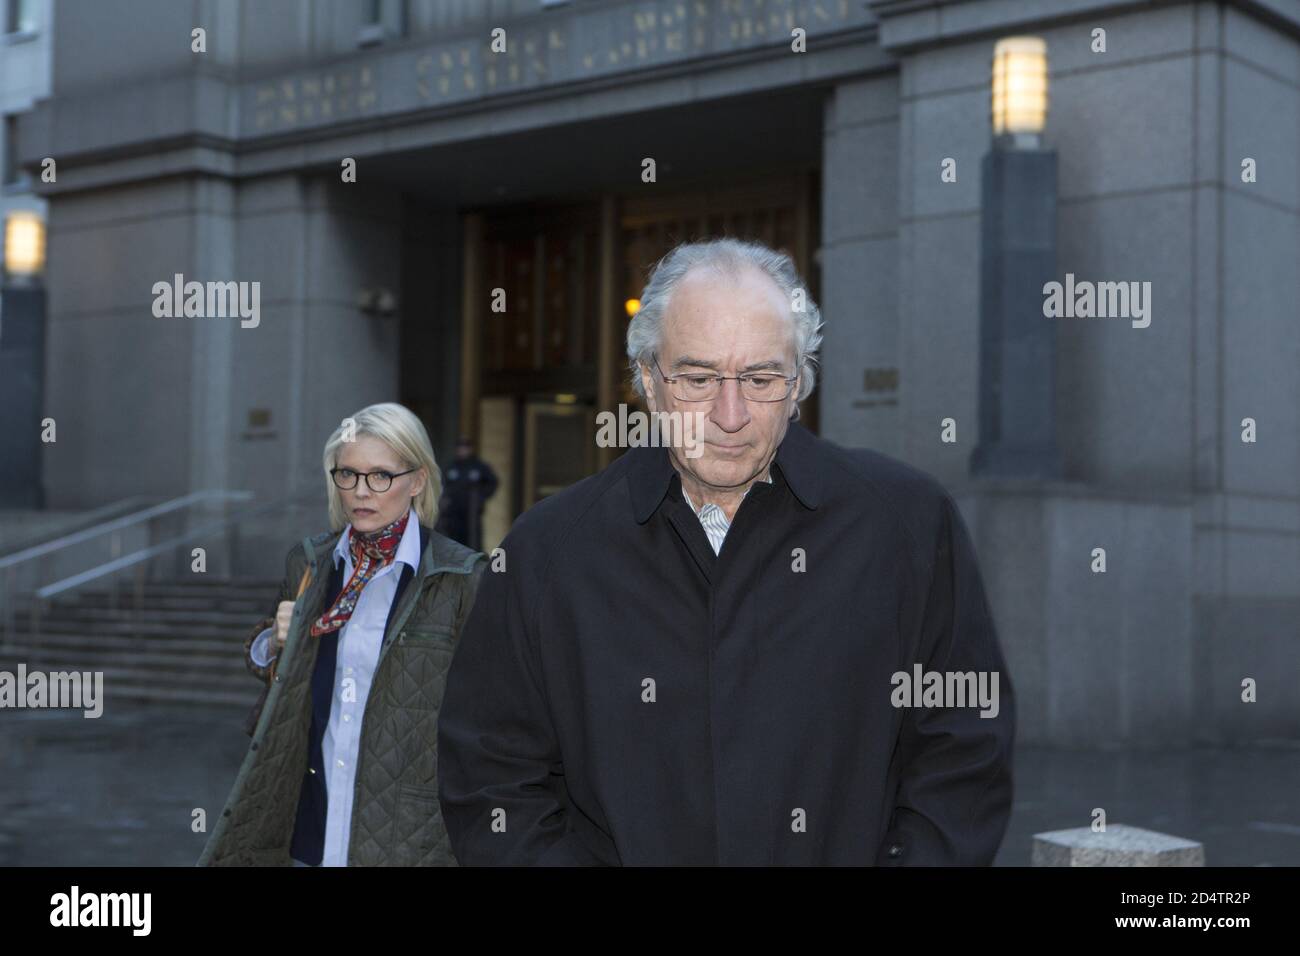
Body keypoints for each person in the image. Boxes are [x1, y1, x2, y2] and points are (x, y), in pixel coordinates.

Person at [437, 238, 1015, 865]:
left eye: (761, 378)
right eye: (698, 377)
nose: (730, 413)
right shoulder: (545, 551)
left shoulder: (908, 524)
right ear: (649, 383)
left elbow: (962, 753)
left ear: (800, 385)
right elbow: (492, 779)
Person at [199, 402, 486, 866]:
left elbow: (491, 717)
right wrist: (272, 640)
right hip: (310, 824)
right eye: (347, 474)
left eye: (380, 476)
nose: (360, 491)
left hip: (406, 838)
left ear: (417, 481)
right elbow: (278, 670)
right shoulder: (311, 562)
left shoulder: (460, 577)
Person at [436, 436, 498, 552]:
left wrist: (481, 497)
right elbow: (442, 486)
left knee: (473, 542)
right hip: (452, 514)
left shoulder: (479, 466)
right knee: (453, 542)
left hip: (471, 513)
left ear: (470, 449)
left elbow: (492, 483)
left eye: (465, 447)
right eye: (460, 447)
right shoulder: (451, 467)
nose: (462, 450)